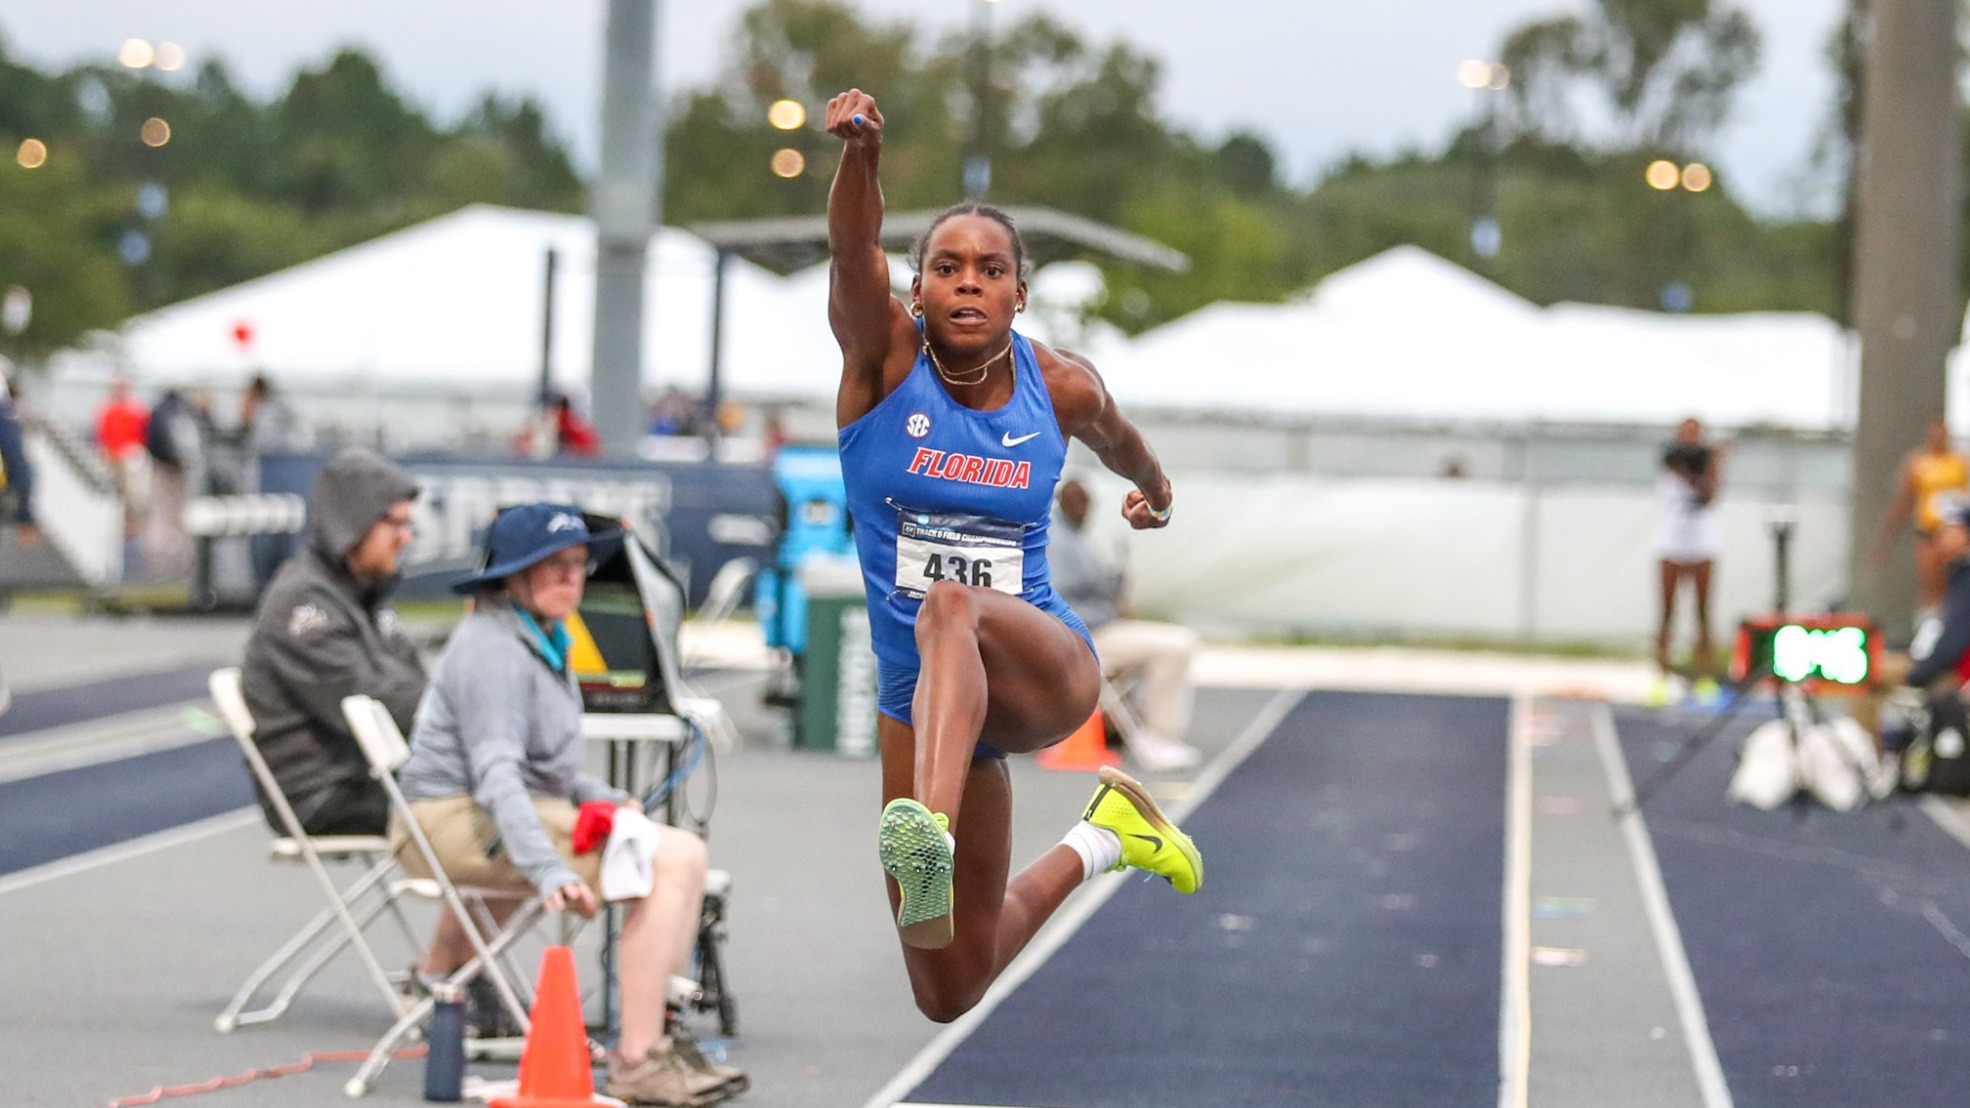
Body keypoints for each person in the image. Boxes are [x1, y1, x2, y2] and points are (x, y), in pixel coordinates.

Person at [824, 87, 1203, 1022]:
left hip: (1039, 667)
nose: (966, 282)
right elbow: (849, 252)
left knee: (948, 603)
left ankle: (929, 833)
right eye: (945, 267)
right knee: (949, 988)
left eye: (989, 270)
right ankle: (1108, 837)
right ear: (915, 290)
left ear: (1018, 294)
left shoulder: (1059, 386)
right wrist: (863, 159)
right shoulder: (881, 364)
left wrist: (1153, 492)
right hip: (927, 709)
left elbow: (1122, 439)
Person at [394, 503, 744, 1106]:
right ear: (511, 576)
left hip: (480, 811)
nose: (571, 578)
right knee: (677, 859)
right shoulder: (494, 649)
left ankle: (649, 1039)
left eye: (579, 564)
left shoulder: (542, 636)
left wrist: (607, 799)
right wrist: (548, 869)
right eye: (552, 566)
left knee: (670, 849)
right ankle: (639, 1059)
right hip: (443, 822)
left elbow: (548, 773)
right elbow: (500, 777)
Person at [241, 447, 426, 836]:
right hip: (321, 792)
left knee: (505, 799)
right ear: (355, 524)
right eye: (396, 525)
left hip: (365, 776)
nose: (406, 538)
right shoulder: (303, 604)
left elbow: (414, 684)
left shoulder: (359, 594)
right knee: (477, 815)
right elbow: (376, 702)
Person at [1048, 475, 1203, 772]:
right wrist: (1109, 611)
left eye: (1088, 502)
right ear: (1063, 501)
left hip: (1100, 626)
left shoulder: (1076, 537)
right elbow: (1062, 599)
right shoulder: (1059, 542)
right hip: (1087, 635)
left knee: (1177, 640)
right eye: (1078, 501)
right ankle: (1158, 736)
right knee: (1176, 646)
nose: (1084, 509)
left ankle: (1145, 729)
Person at [1872, 416, 1968, 632]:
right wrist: (1885, 543)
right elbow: (1902, 503)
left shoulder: (1960, 462)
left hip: (1953, 535)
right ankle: (1930, 631)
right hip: (1929, 534)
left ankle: (1952, 629)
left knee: (1953, 586)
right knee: (1930, 588)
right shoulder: (1918, 463)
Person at [1654, 417, 1724, 704]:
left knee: (1703, 613)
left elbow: (1709, 495)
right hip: (1671, 544)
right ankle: (1661, 676)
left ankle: (1704, 677)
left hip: (1702, 545)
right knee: (1667, 612)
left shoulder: (1708, 464)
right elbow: (1681, 475)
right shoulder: (1671, 461)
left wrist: (1716, 462)